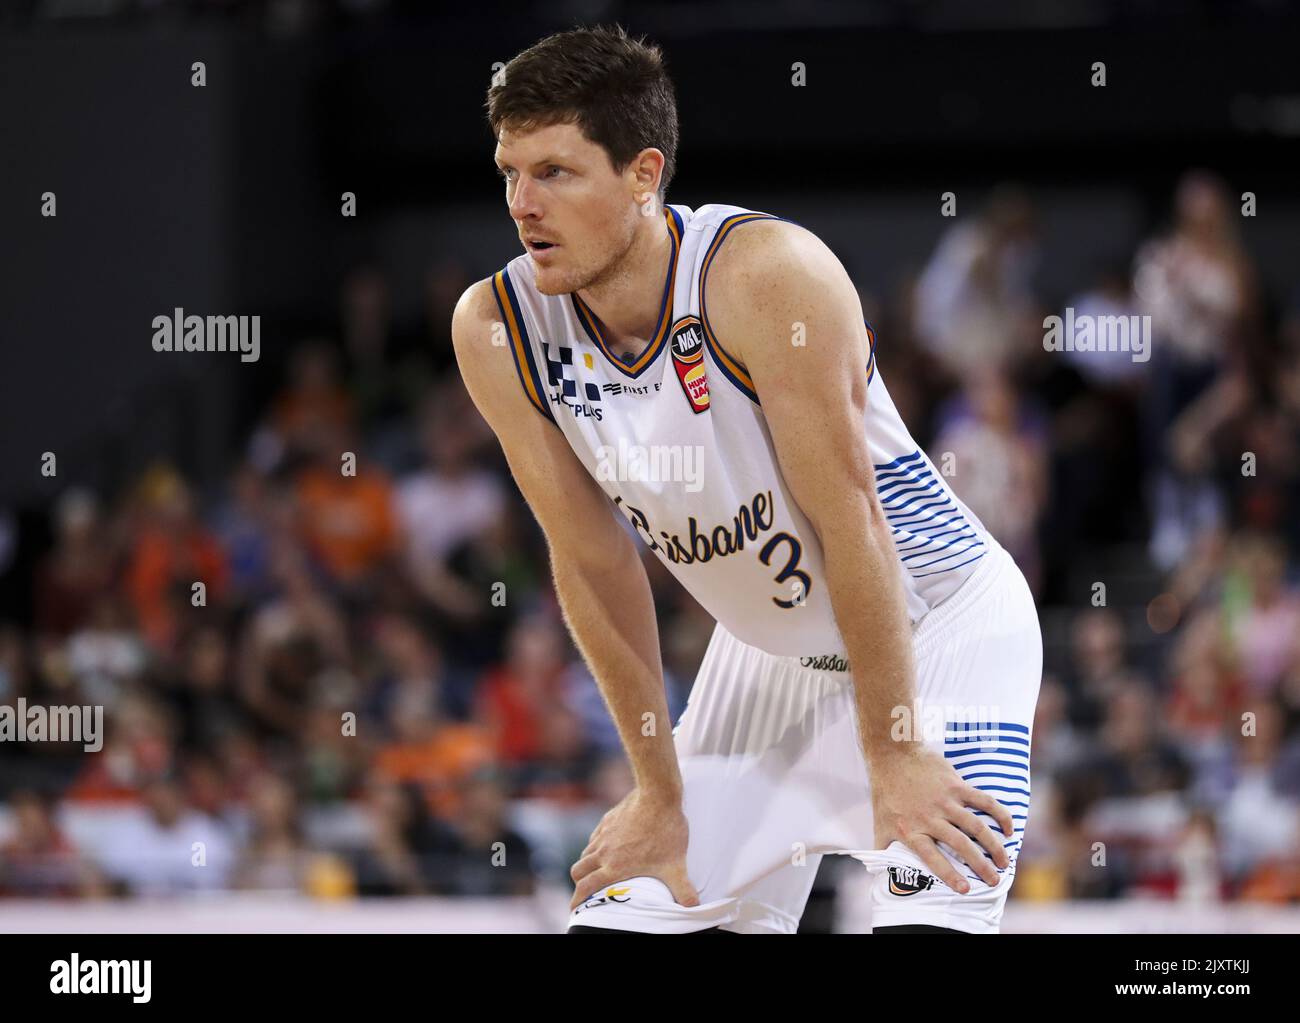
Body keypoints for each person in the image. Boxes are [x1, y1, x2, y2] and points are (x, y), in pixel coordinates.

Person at [451, 24, 1042, 934]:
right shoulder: (498, 325)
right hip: (769, 660)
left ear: (645, 175)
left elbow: (852, 526)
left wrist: (894, 751)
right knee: (621, 926)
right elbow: (591, 559)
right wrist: (657, 789)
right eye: (509, 173)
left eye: (555, 173)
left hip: (934, 624)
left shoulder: (767, 278)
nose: (523, 204)